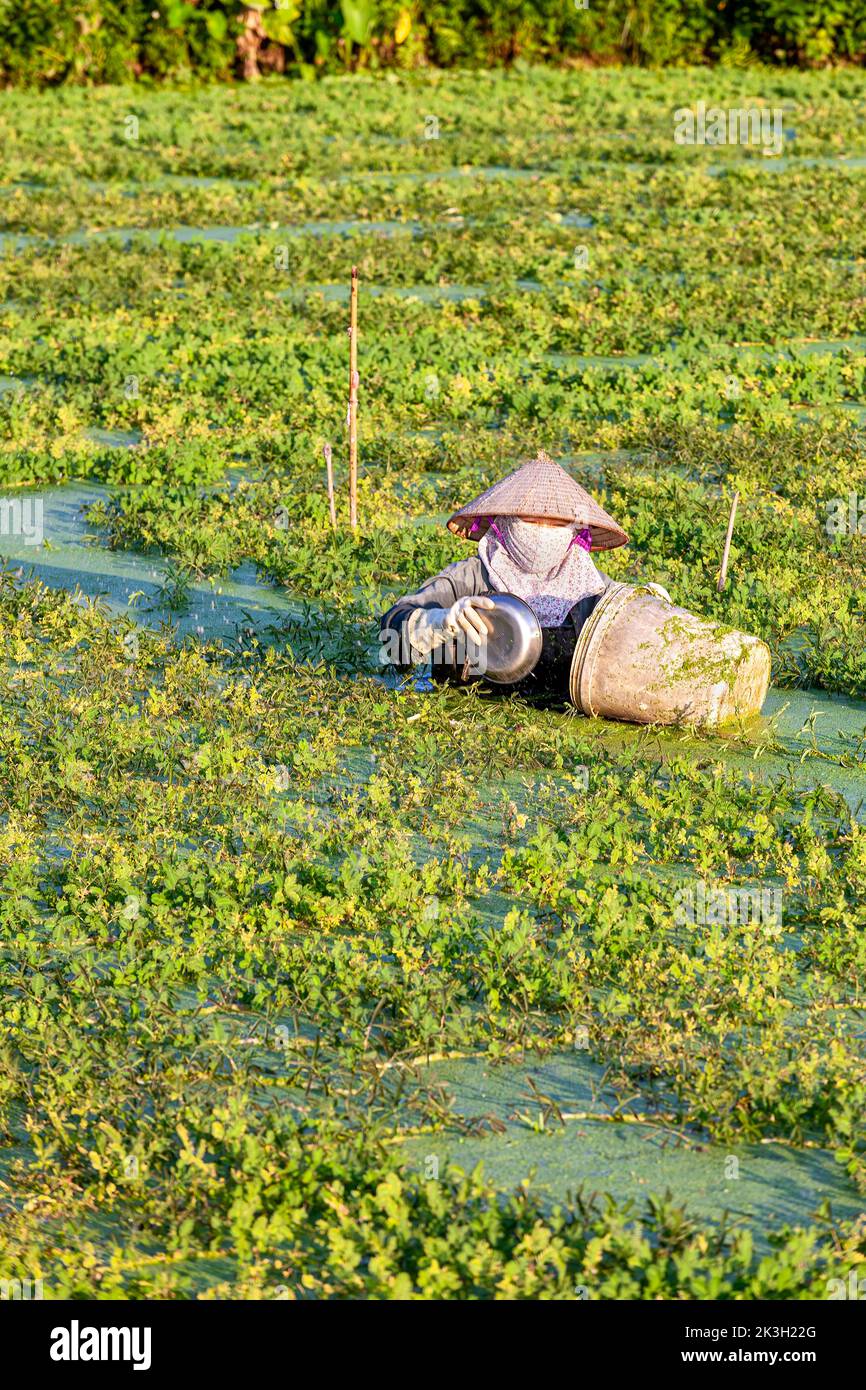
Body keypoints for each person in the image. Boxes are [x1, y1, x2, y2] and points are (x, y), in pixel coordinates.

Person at [380, 450, 634, 682]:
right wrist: (441, 621)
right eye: (531, 520)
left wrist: (646, 610)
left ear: (574, 532)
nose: (542, 532)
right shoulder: (470, 577)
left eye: (556, 524)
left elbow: (631, 644)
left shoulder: (590, 587)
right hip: (471, 713)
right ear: (504, 522)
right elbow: (391, 640)